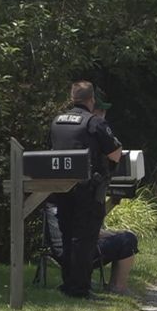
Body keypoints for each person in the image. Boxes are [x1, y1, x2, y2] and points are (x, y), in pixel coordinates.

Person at [49, 81, 122, 298]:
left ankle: (68, 284)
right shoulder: (94, 123)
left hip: (61, 188)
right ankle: (80, 289)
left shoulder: (57, 121)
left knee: (66, 236)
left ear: (72, 98)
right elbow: (115, 153)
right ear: (91, 100)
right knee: (84, 239)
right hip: (87, 190)